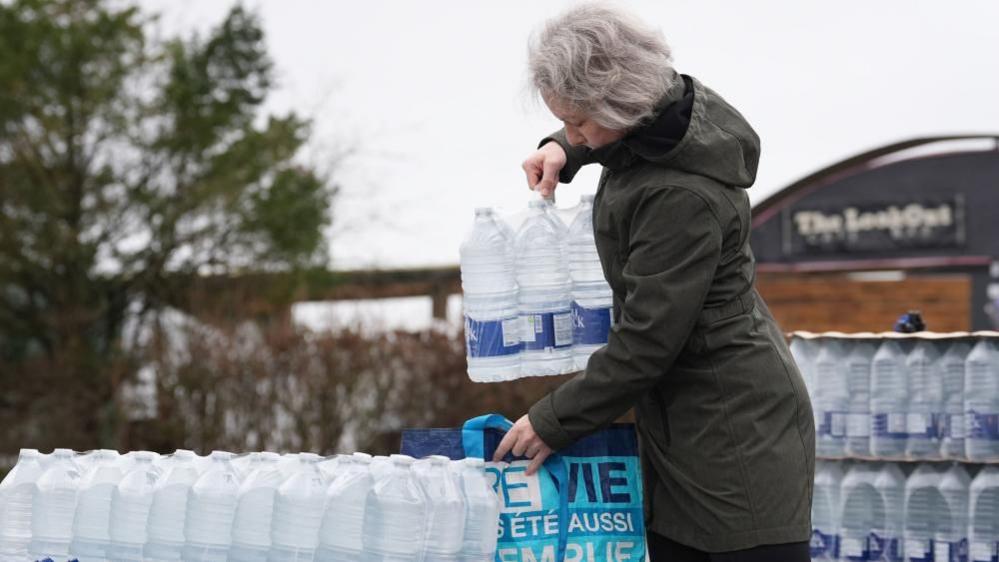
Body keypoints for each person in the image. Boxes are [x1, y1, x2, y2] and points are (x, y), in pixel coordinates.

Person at [492, 3, 816, 561]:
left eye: (577, 122)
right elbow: (609, 135)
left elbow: (646, 343)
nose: (573, 134)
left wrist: (552, 421)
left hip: (735, 435)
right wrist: (563, 149)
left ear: (621, 99)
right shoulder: (664, 124)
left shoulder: (680, 197)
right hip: (682, 419)